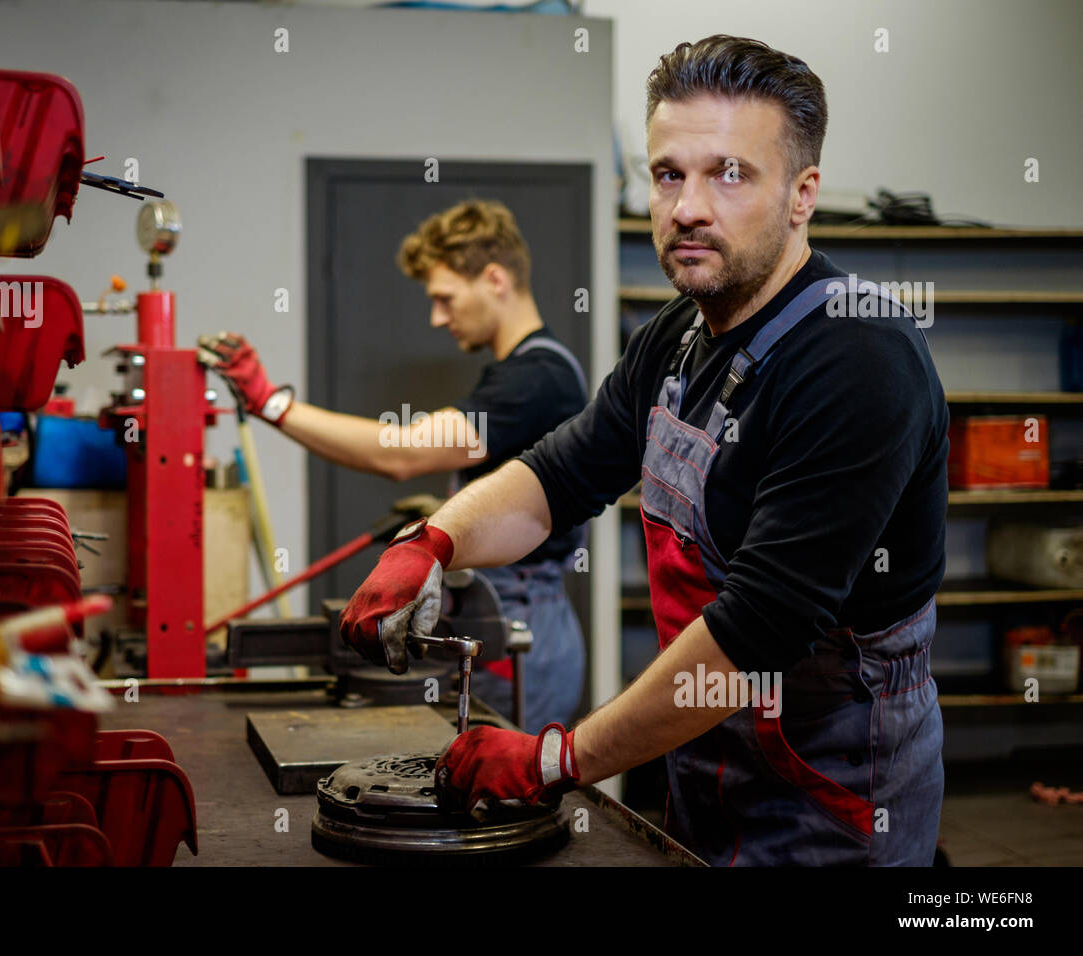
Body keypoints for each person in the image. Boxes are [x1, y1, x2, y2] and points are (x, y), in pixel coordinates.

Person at [337, 35, 948, 866]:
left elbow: (758, 631)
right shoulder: (677, 337)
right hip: (704, 760)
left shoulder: (858, 357)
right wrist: (435, 541)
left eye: (728, 173)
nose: (688, 206)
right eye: (669, 174)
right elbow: (560, 474)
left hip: (833, 790)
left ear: (803, 195)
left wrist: (556, 758)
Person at [202, 199, 589, 732]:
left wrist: (272, 403)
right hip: (510, 606)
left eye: (445, 298)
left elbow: (402, 453)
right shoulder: (523, 371)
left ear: (495, 279)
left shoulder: (537, 378)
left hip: (523, 621)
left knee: (510, 798)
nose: (437, 317)